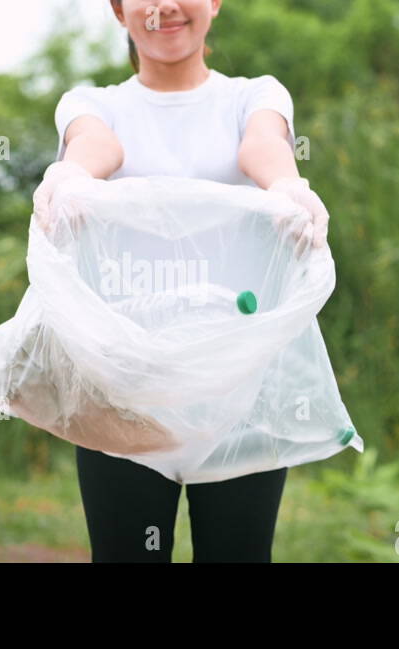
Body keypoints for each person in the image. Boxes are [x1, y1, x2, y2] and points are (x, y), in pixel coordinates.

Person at [32, 0, 332, 563]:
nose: (166, 6)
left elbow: (262, 146)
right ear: (119, 11)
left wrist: (288, 186)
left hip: (240, 390)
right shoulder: (95, 105)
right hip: (122, 393)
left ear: (215, 3)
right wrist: (70, 173)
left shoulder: (254, 97)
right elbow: (98, 146)